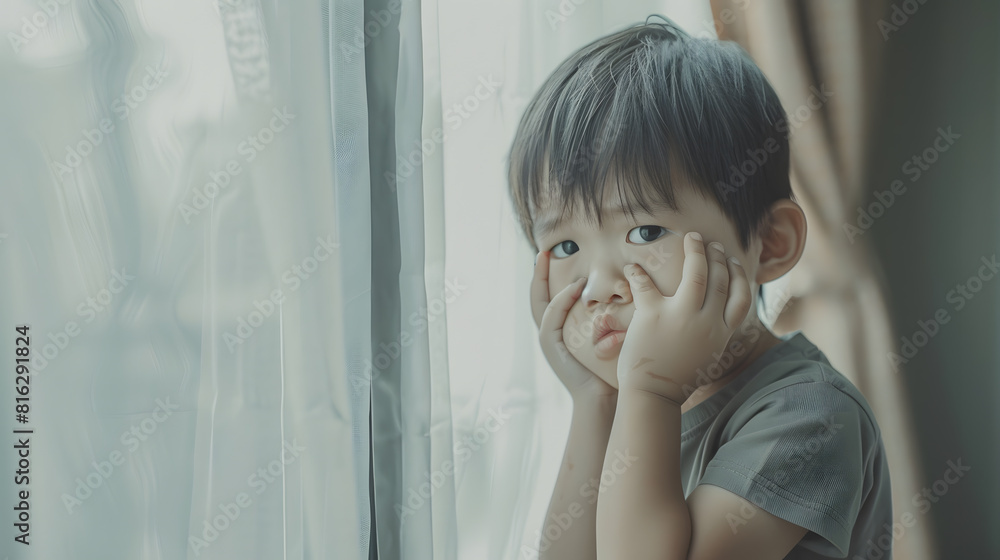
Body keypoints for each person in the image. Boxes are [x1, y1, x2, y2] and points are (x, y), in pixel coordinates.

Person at [506, 16, 893, 560]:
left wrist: (651, 390)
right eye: (565, 246)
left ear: (770, 243)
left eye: (645, 232)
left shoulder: (809, 415)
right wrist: (595, 400)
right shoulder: (634, 408)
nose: (598, 287)